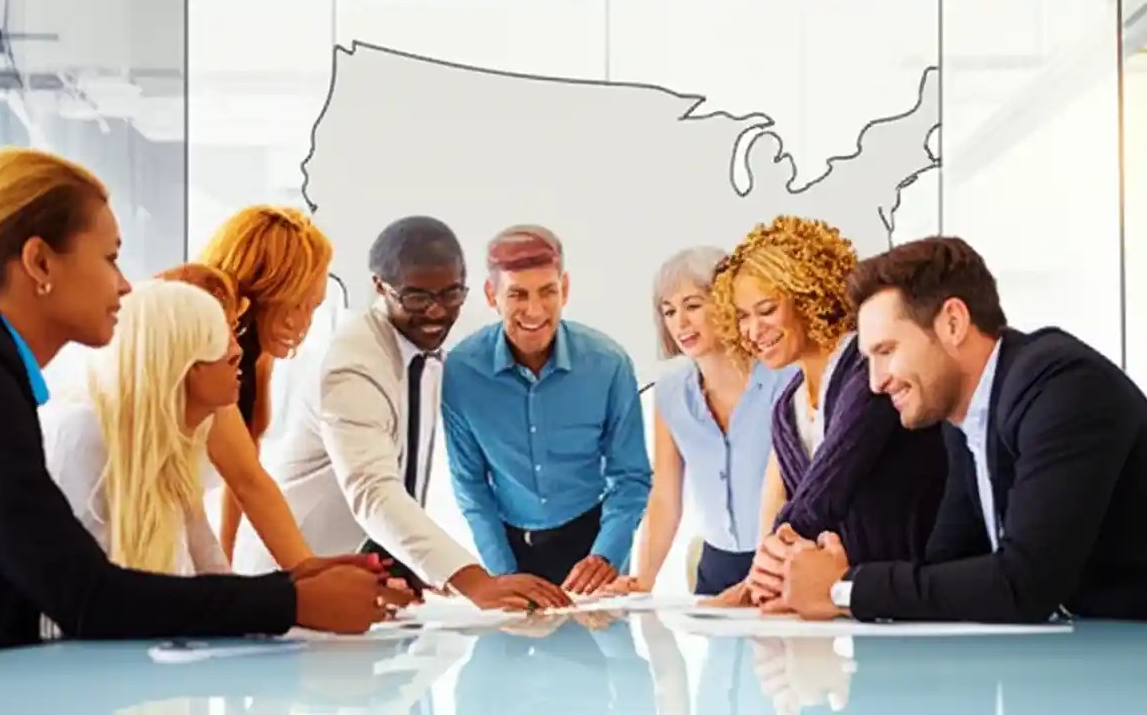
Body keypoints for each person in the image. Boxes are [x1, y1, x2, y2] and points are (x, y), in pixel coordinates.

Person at [0, 146, 402, 652]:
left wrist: (298, 587)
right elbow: (85, 596)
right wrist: (292, 601)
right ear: (40, 262)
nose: (127, 284)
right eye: (110, 258)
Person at [763, 236, 1147, 625]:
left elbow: (1024, 584)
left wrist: (843, 588)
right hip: (1112, 657)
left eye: (887, 350)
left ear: (953, 322)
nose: (875, 380)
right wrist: (841, 576)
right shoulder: (965, 417)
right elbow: (946, 567)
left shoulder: (1061, 386)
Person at [233, 216, 571, 610]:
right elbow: (373, 489)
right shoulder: (352, 363)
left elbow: (404, 474)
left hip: (349, 581)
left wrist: (413, 566)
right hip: (283, 584)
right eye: (416, 297)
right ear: (379, 285)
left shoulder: (422, 355)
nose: (436, 312)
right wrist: (473, 582)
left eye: (451, 294)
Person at [708, 216, 947, 606]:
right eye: (742, 318)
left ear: (809, 295)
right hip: (856, 603)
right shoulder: (787, 408)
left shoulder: (868, 368)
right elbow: (806, 516)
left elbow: (823, 494)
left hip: (919, 588)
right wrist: (773, 573)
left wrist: (762, 572)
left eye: (766, 310)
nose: (752, 330)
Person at [442, 225, 652, 594]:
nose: (534, 310)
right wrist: (502, 573)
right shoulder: (461, 372)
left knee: (613, 651)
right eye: (517, 294)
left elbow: (631, 477)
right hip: (506, 546)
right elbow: (470, 484)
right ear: (492, 295)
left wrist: (606, 556)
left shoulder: (609, 364)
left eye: (548, 291)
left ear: (565, 289)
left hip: (594, 546)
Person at [610, 246, 795, 595]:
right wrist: (643, 581)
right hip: (715, 567)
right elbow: (665, 496)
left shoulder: (783, 378)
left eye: (693, 305)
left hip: (781, 564)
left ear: (727, 302)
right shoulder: (669, 391)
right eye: (668, 311)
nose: (680, 323)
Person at [39, 279, 244, 576]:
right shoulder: (83, 434)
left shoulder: (176, 438)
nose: (236, 350)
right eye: (221, 341)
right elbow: (67, 585)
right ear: (182, 363)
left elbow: (209, 560)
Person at [192, 206, 334, 565]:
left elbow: (243, 471)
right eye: (297, 304)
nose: (303, 324)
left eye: (313, 307)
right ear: (265, 291)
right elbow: (248, 482)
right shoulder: (203, 345)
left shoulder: (258, 353)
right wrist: (311, 575)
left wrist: (226, 562)